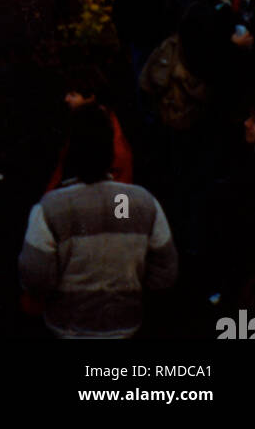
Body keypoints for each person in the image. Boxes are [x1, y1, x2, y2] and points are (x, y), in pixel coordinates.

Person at [18, 106, 177, 338]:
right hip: (127, 325)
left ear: (71, 149)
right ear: (111, 149)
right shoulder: (145, 202)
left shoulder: (49, 208)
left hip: (67, 328)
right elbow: (166, 274)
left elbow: (35, 279)